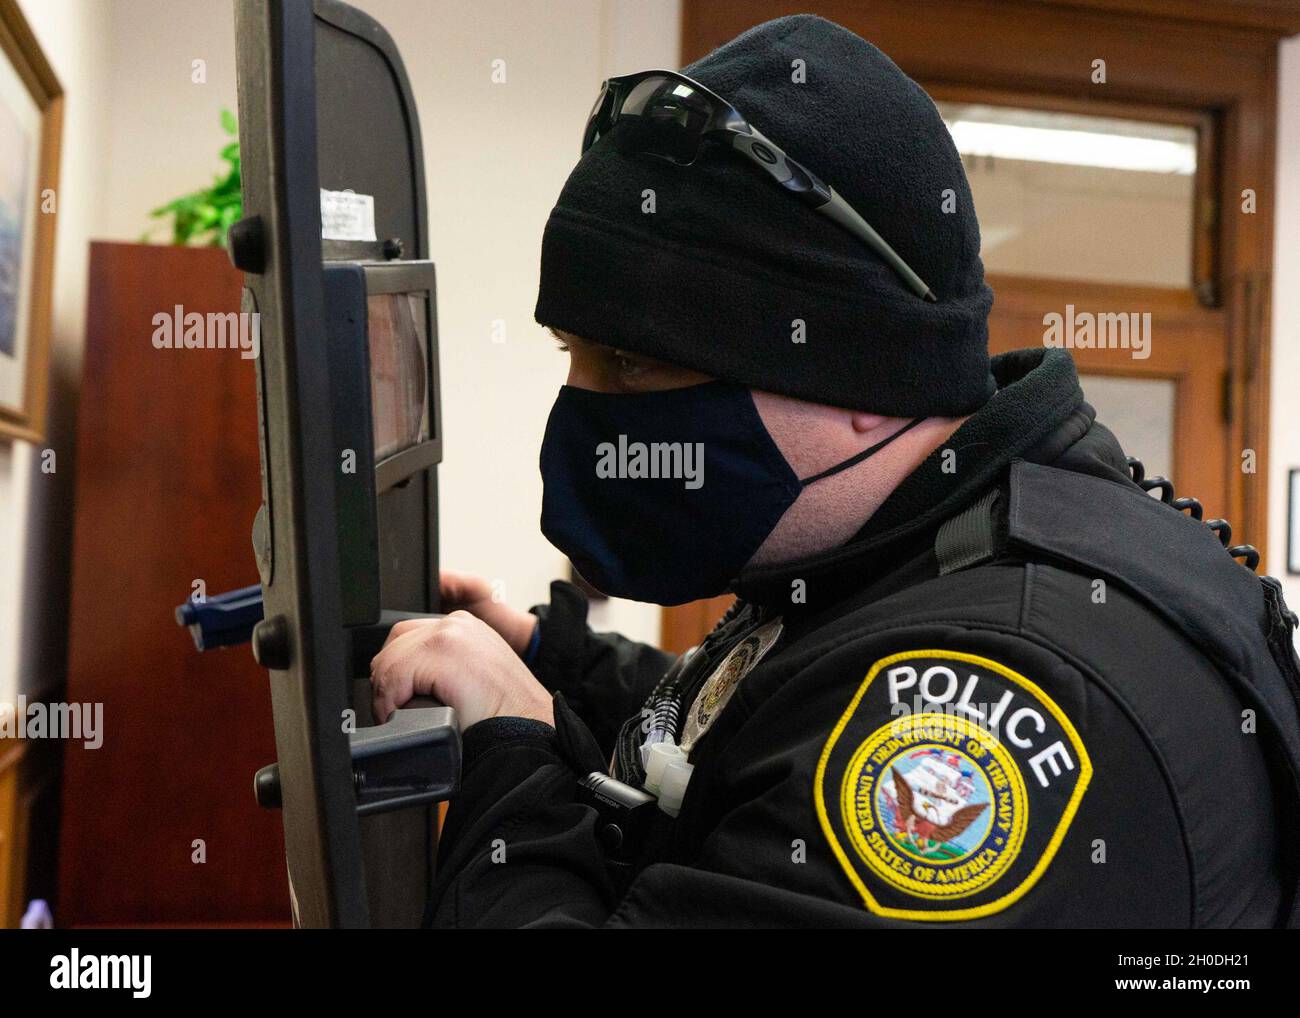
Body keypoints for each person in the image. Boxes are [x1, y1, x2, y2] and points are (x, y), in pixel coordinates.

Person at [368, 14, 1300, 927]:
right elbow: (781, 723)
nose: (592, 412)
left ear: (860, 374)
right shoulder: (920, 536)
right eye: (572, 354)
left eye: (633, 364)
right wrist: (552, 663)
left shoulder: (982, 718)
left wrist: (512, 747)